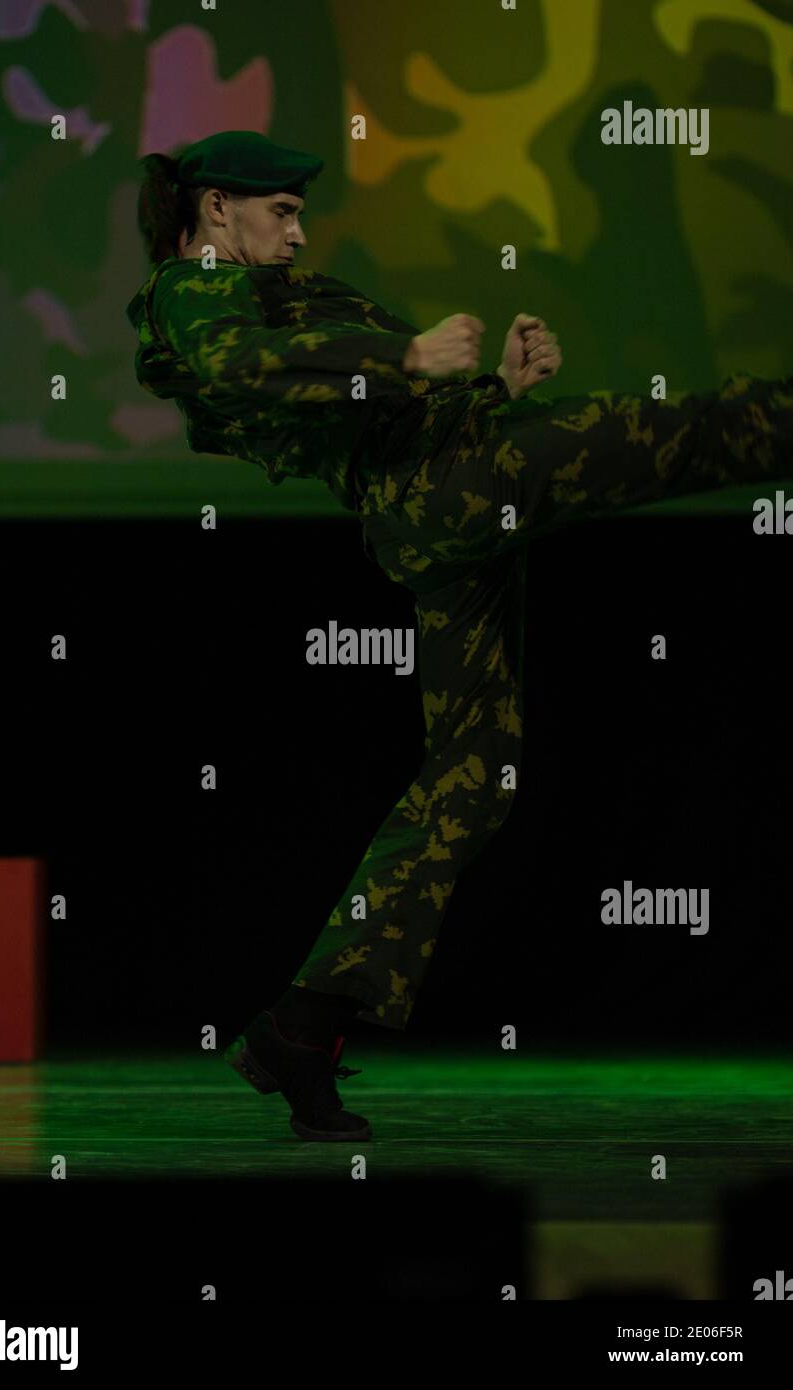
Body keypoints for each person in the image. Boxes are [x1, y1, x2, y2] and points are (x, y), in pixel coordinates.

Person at [127, 130, 793, 1142]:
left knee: (471, 778)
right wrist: (400, 352)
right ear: (216, 209)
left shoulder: (252, 290)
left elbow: (368, 417)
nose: (298, 232)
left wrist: (495, 392)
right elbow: (247, 366)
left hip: (439, 499)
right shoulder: (197, 296)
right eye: (282, 213)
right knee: (689, 432)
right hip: (452, 490)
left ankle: (302, 1025)